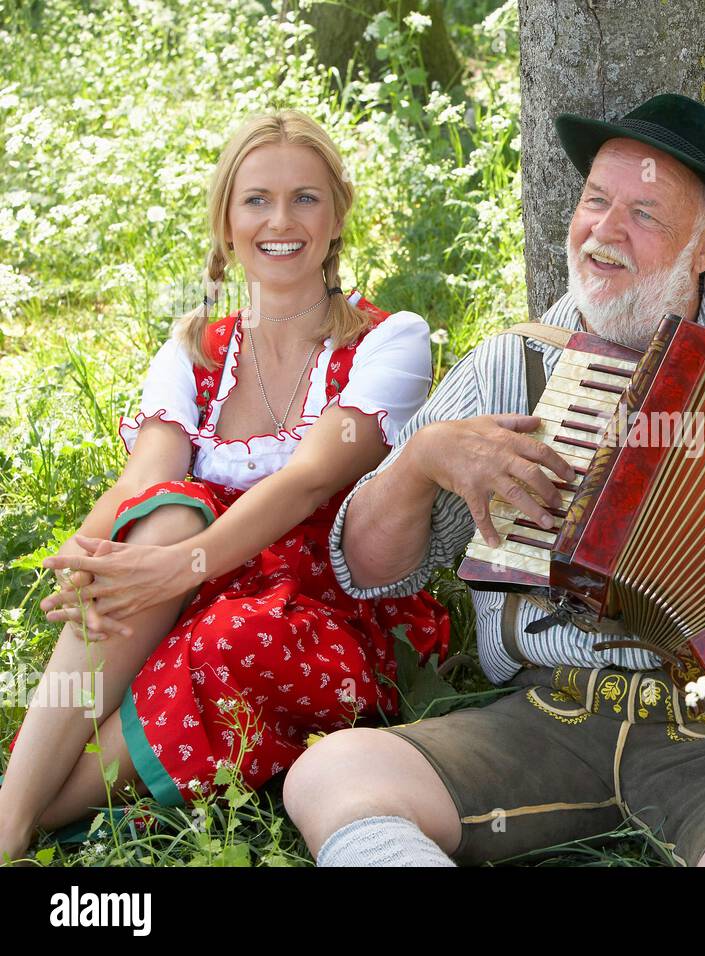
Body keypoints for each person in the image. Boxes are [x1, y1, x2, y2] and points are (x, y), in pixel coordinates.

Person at [282, 93, 705, 868]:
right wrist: (422, 460)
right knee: (335, 772)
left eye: (645, 214)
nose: (603, 230)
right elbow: (370, 568)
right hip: (548, 713)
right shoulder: (513, 363)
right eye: (596, 201)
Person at [0, 110, 449, 863]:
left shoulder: (387, 339)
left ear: (337, 216)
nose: (281, 220)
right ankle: (18, 814)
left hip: (318, 608)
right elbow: (147, 478)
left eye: (306, 198)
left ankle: (24, 813)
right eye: (257, 200)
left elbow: (310, 483)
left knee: (232, 633)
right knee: (165, 516)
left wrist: (181, 564)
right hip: (179, 587)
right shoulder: (195, 345)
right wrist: (87, 557)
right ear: (227, 222)